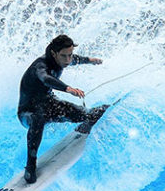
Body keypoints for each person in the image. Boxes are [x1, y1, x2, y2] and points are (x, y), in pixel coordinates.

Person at [18, 34, 104, 183]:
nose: (67, 60)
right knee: (38, 118)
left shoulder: (65, 59)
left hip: (49, 106)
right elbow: (45, 78)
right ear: (53, 53)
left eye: (69, 55)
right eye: (64, 56)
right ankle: (30, 166)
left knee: (91, 114)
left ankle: (86, 123)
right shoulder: (41, 66)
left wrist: (91, 60)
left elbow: (76, 59)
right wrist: (67, 88)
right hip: (28, 112)